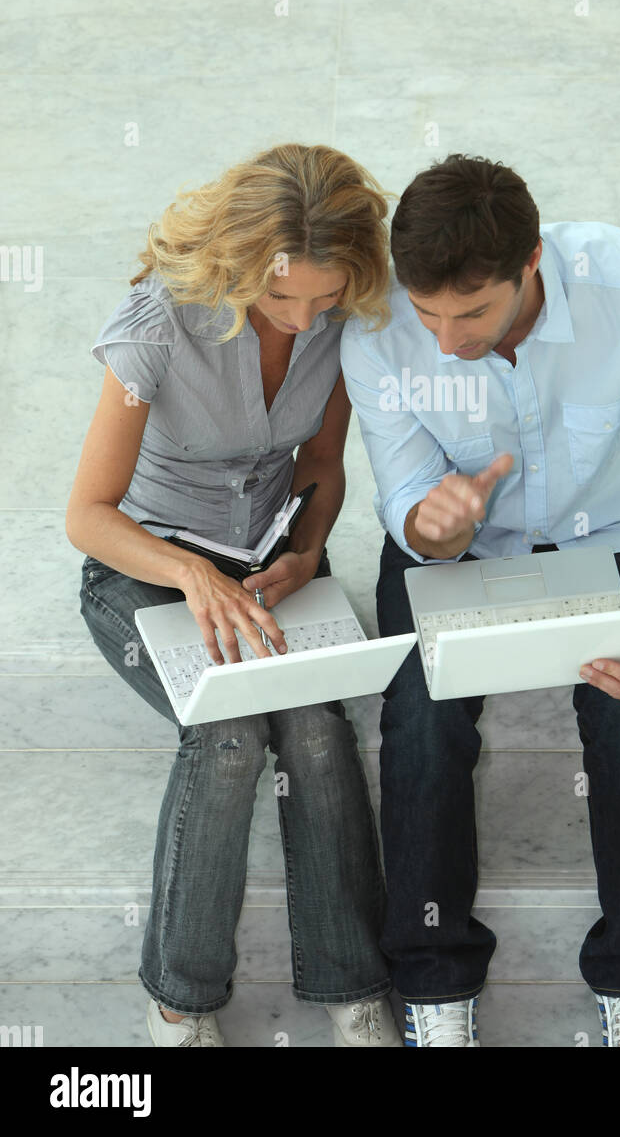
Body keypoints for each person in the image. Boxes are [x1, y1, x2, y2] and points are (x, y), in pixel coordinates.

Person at [340, 152, 620, 1047]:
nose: (445, 339)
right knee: (420, 714)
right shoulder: (374, 332)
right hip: (455, 548)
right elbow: (408, 505)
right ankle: (436, 989)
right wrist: (438, 524)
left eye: (471, 312)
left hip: (609, 528)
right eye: (427, 314)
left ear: (530, 266)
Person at [67, 142, 403, 1048]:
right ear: (242, 260)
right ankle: (180, 1001)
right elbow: (88, 515)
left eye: (323, 299)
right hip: (145, 565)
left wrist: (308, 548)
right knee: (224, 736)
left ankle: (353, 985)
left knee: (319, 734)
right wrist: (191, 576)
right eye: (281, 295)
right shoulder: (155, 327)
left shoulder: (340, 319)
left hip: (271, 557)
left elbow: (324, 468)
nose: (303, 318)